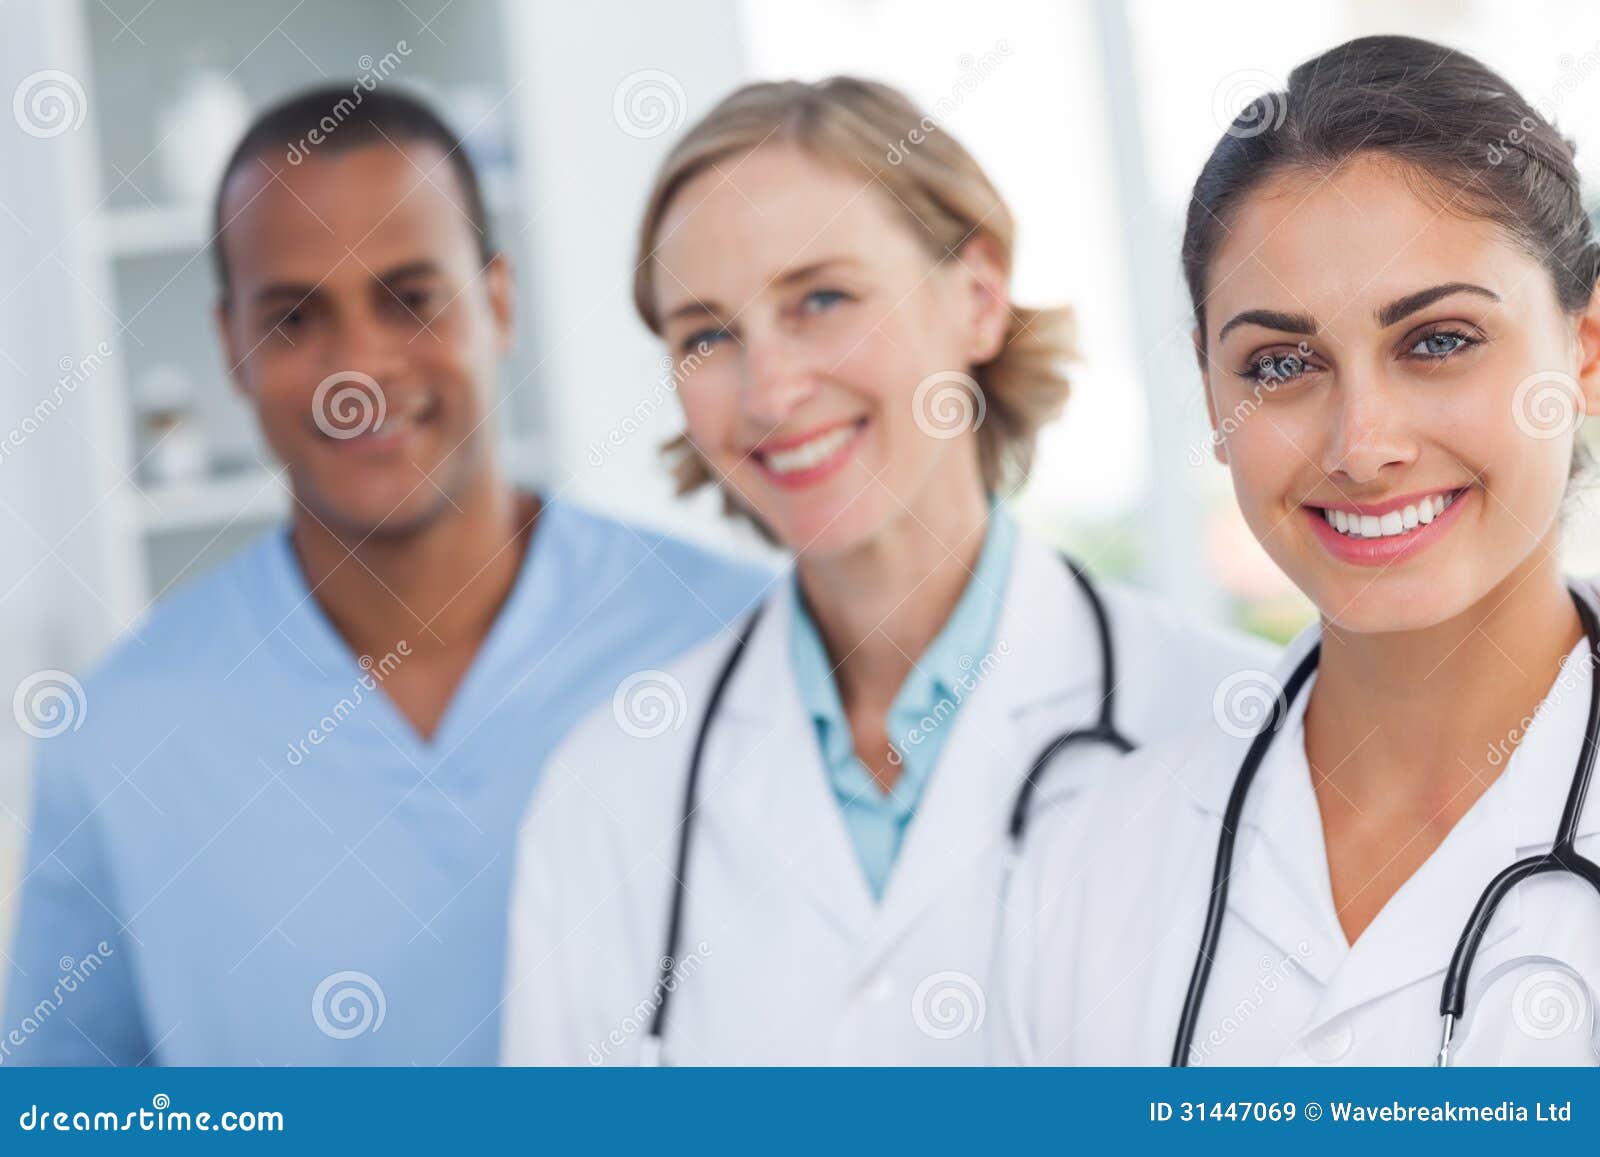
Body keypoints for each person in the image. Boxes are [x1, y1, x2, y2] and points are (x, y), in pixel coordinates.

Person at [500, 77, 1275, 1066]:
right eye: (706, 333)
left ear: (978, 298)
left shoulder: (1224, 723)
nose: (771, 389)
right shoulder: (610, 788)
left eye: (820, 298)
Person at [2, 86, 767, 1066]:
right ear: (231, 344)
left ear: (498, 301)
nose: (357, 369)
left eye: (410, 299)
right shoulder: (118, 736)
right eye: (293, 318)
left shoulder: (731, 637)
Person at [1005, 36, 1600, 1066]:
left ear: (1582, 352)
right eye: (1280, 363)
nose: (1360, 444)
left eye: (1438, 339)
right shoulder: (1087, 868)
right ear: (1209, 392)